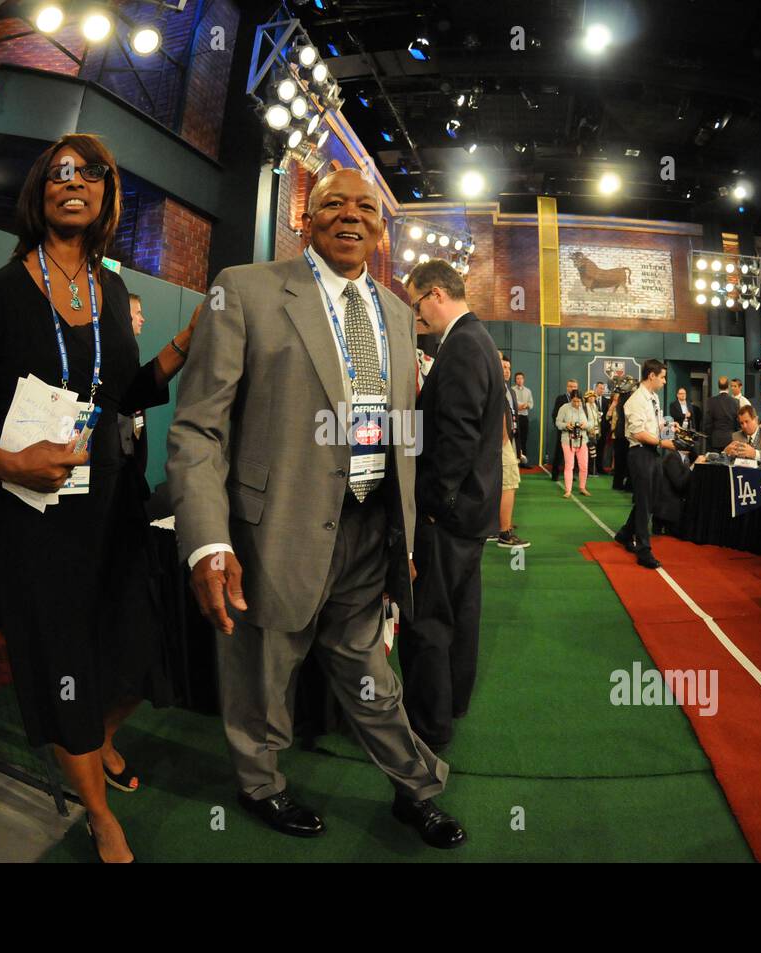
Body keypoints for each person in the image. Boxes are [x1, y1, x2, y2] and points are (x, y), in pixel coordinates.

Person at [165, 167, 464, 849]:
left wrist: (407, 531)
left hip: (367, 529)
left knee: (370, 674)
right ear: (306, 217)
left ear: (382, 230)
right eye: (334, 203)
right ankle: (260, 785)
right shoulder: (244, 291)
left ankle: (416, 788)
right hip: (272, 534)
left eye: (367, 207)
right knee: (261, 677)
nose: (351, 216)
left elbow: (401, 433)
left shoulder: (395, 311)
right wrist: (209, 541)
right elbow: (196, 429)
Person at [0, 134, 194, 863]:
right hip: (28, 519)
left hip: (110, 505)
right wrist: (11, 462)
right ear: (39, 194)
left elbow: (121, 397)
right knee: (63, 662)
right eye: (58, 174)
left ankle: (99, 739)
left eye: (89, 174)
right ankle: (98, 811)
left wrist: (181, 349)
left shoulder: (111, 291)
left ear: (109, 194)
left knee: (140, 645)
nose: (72, 183)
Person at [398, 259, 504, 755]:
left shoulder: (460, 345)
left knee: (429, 623)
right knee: (463, 616)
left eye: (417, 305)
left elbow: (457, 439)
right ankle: (453, 704)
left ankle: (428, 725)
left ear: (436, 294)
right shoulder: (478, 339)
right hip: (473, 513)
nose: (417, 317)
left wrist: (434, 506)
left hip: (450, 514)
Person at [614, 360, 677, 570]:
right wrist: (662, 442)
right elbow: (637, 433)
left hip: (652, 452)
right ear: (651, 375)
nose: (664, 381)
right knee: (644, 500)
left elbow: (655, 426)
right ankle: (643, 549)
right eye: (662, 377)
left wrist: (669, 425)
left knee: (650, 498)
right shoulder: (635, 400)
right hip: (639, 453)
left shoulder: (654, 398)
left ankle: (625, 533)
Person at [496, 356, 529, 548]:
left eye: (509, 367)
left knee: (502, 483)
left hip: (509, 438)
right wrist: (503, 439)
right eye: (503, 366)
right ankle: (504, 532)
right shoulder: (497, 386)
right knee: (509, 481)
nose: (507, 370)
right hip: (500, 441)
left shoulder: (508, 389)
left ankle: (499, 525)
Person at [557, 391, 591, 497]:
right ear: (570, 399)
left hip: (583, 440)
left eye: (579, 401)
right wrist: (566, 425)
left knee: (584, 466)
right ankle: (568, 490)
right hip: (568, 440)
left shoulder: (586, 407)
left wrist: (584, 425)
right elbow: (558, 422)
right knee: (569, 466)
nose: (577, 403)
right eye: (574, 401)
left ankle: (582, 487)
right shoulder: (564, 408)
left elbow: (592, 423)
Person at [550, 379, 578, 482]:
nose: (573, 388)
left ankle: (571, 474)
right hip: (563, 430)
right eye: (571, 386)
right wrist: (560, 426)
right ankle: (555, 474)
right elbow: (555, 414)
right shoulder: (561, 399)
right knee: (559, 452)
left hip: (575, 431)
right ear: (567, 387)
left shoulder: (578, 399)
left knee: (573, 452)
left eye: (575, 387)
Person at [707, 376, 740, 455]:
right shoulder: (735, 402)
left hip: (716, 440)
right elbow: (738, 422)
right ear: (728, 386)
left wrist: (710, 437)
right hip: (731, 439)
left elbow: (708, 423)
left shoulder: (711, 401)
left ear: (718, 386)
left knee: (716, 465)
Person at [511, 371, 533, 466]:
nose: (519, 380)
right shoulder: (512, 390)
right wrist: (517, 406)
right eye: (517, 378)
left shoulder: (528, 391)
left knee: (524, 439)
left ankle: (524, 462)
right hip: (514, 417)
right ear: (515, 380)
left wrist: (526, 406)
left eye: (521, 378)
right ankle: (514, 461)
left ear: (524, 380)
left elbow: (531, 404)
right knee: (515, 439)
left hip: (524, 417)